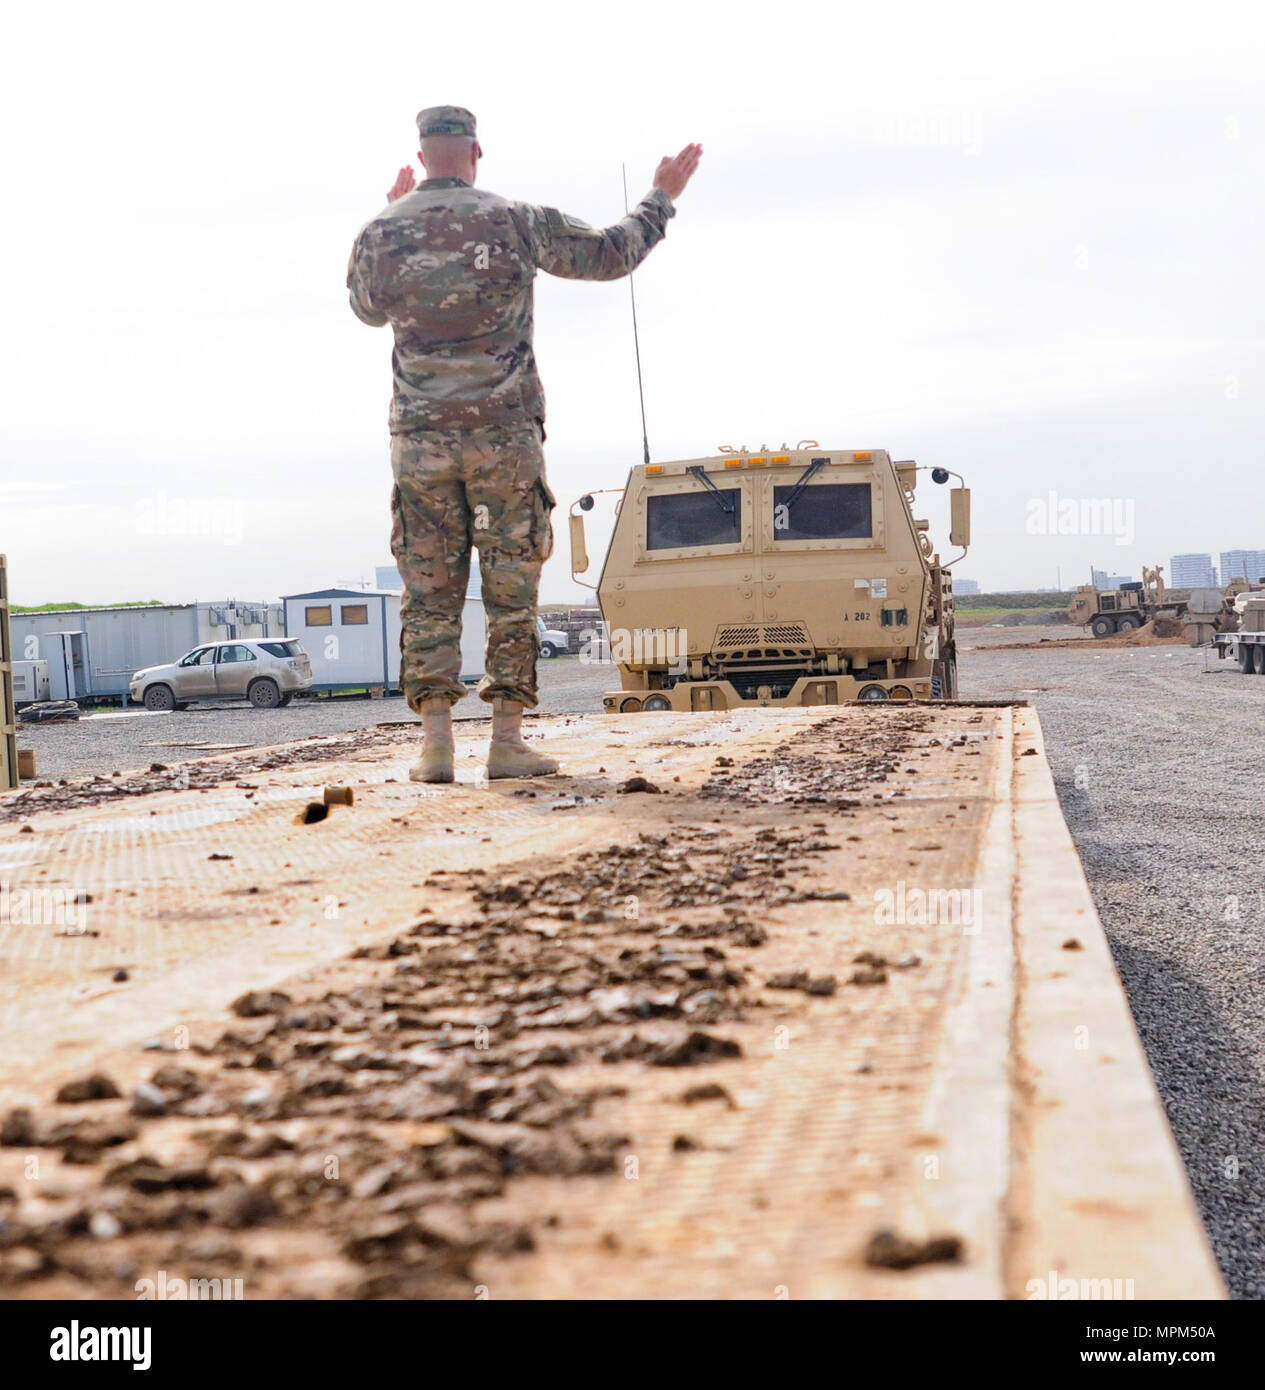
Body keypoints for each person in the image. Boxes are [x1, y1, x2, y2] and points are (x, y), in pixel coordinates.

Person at [348, 105, 702, 782]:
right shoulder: (513, 219)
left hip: (420, 440)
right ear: (475, 152)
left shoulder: (384, 230)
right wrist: (660, 197)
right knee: (510, 587)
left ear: (421, 158)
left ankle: (435, 747)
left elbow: (367, 308)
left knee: (429, 587)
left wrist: (392, 217)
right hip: (504, 435)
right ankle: (506, 741)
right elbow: (610, 255)